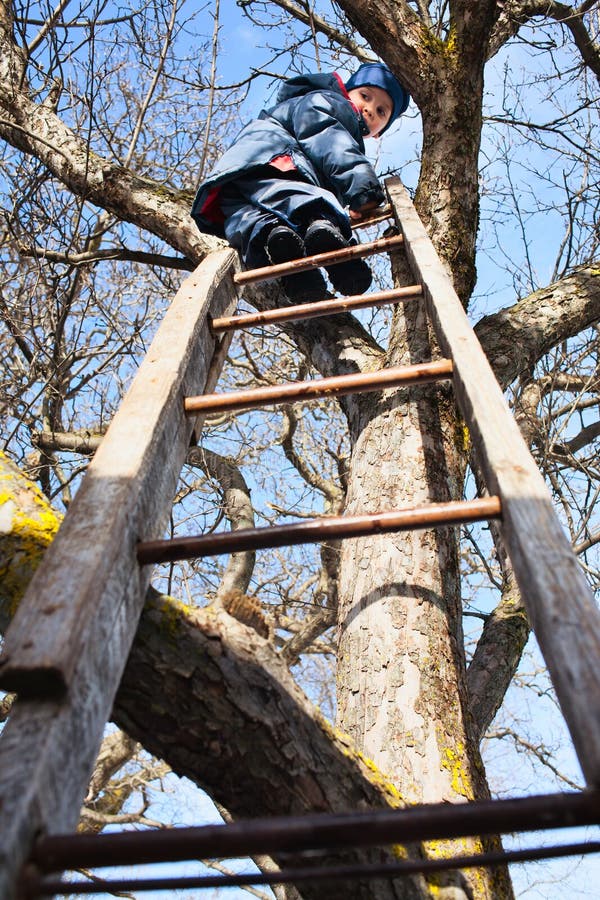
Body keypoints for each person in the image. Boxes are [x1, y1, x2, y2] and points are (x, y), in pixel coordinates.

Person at [191, 62, 409, 302]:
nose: (369, 109)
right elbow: (328, 139)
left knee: (259, 227)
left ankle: (291, 267)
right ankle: (326, 235)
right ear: (347, 91)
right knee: (308, 207)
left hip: (236, 185)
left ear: (379, 131)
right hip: (276, 163)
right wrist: (363, 192)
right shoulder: (331, 103)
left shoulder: (307, 106)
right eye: (365, 96)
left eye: (381, 111)